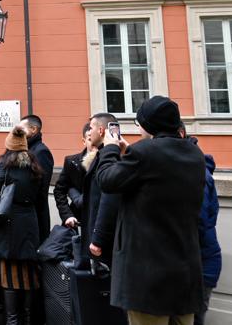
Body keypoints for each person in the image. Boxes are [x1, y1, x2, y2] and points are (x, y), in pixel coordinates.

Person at [96, 96, 205, 324]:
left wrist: (110, 150)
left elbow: (107, 180)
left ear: (149, 125)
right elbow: (155, 178)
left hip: (148, 276)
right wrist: (130, 155)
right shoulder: (194, 154)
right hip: (184, 271)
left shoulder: (144, 153)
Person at [0, 125, 47, 325]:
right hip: (29, 223)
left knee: (8, 276)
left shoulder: (4, 167)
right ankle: (26, 319)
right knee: (27, 274)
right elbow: (40, 199)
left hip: (6, 225)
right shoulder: (35, 167)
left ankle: (12, 321)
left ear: (9, 146)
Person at [182, 124, 221, 325]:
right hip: (194, 265)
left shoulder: (196, 174)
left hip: (198, 267)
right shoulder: (192, 169)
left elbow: (197, 221)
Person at [78, 113, 121, 265]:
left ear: (101, 130)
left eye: (90, 128)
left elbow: (108, 198)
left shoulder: (109, 156)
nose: (88, 133)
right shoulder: (103, 154)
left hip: (105, 240)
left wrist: (98, 238)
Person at [18, 114, 53, 239]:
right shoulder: (28, 149)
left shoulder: (41, 151)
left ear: (33, 129)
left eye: (21, 129)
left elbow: (40, 188)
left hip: (35, 215)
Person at [53, 122, 92, 230]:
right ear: (84, 141)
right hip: (77, 220)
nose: (93, 142)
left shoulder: (109, 160)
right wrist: (67, 216)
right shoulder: (72, 161)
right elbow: (59, 190)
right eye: (90, 139)